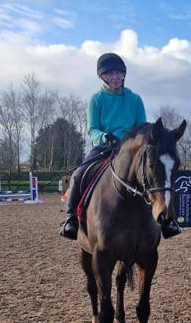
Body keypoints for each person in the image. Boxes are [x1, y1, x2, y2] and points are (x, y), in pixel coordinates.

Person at [60, 53, 180, 239]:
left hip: (131, 151)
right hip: (105, 148)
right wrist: (104, 137)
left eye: (118, 73)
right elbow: (92, 129)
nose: (115, 77)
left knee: (156, 175)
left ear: (123, 75)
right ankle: (71, 220)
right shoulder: (97, 99)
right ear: (103, 77)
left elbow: (142, 127)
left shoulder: (135, 99)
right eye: (110, 74)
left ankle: (168, 221)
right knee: (79, 174)